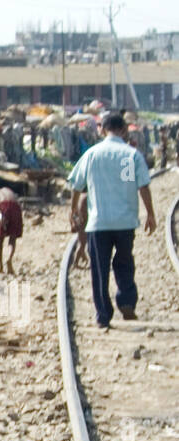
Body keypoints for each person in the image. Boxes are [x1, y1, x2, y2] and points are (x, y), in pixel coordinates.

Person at [68, 111, 157, 328]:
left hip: (98, 223)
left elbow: (76, 186)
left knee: (99, 268)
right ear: (124, 130)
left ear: (101, 129)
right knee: (125, 261)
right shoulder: (131, 155)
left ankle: (103, 315)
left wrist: (73, 212)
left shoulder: (91, 154)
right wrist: (150, 213)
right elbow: (142, 185)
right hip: (125, 221)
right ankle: (126, 301)